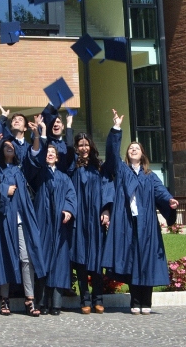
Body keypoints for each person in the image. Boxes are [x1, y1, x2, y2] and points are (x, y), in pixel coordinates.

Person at [102, 109, 178, 315]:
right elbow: (111, 152)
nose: (133, 150)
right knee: (133, 262)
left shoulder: (150, 175)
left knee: (148, 261)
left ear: (142, 153)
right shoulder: (121, 170)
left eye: (137, 148)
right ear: (127, 154)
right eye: (131, 148)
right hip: (128, 223)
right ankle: (135, 301)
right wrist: (116, 128)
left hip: (147, 226)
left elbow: (161, 192)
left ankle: (147, 302)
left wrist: (169, 200)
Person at [0, 129, 46, 317]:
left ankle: (29, 298)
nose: (10, 147)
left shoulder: (22, 169)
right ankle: (4, 299)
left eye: (12, 146)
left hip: (23, 220)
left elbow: (35, 158)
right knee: (6, 257)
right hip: (5, 219)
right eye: (6, 145)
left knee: (26, 258)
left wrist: (36, 135)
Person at [26, 116, 77, 316]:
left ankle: (56, 304)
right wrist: (42, 135)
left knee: (59, 263)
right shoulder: (39, 174)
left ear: (57, 157)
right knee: (42, 261)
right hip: (41, 224)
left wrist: (68, 209)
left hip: (59, 226)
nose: (50, 154)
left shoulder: (64, 177)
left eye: (53, 153)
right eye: (47, 152)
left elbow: (71, 196)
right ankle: (41, 303)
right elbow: (36, 157)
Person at [68, 131, 114, 315]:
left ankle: (98, 298)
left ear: (91, 146)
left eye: (86, 144)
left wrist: (106, 209)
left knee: (96, 259)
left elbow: (108, 187)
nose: (84, 148)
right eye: (80, 145)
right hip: (79, 218)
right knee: (80, 260)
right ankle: (84, 299)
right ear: (76, 148)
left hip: (95, 218)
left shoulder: (100, 166)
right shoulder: (72, 166)